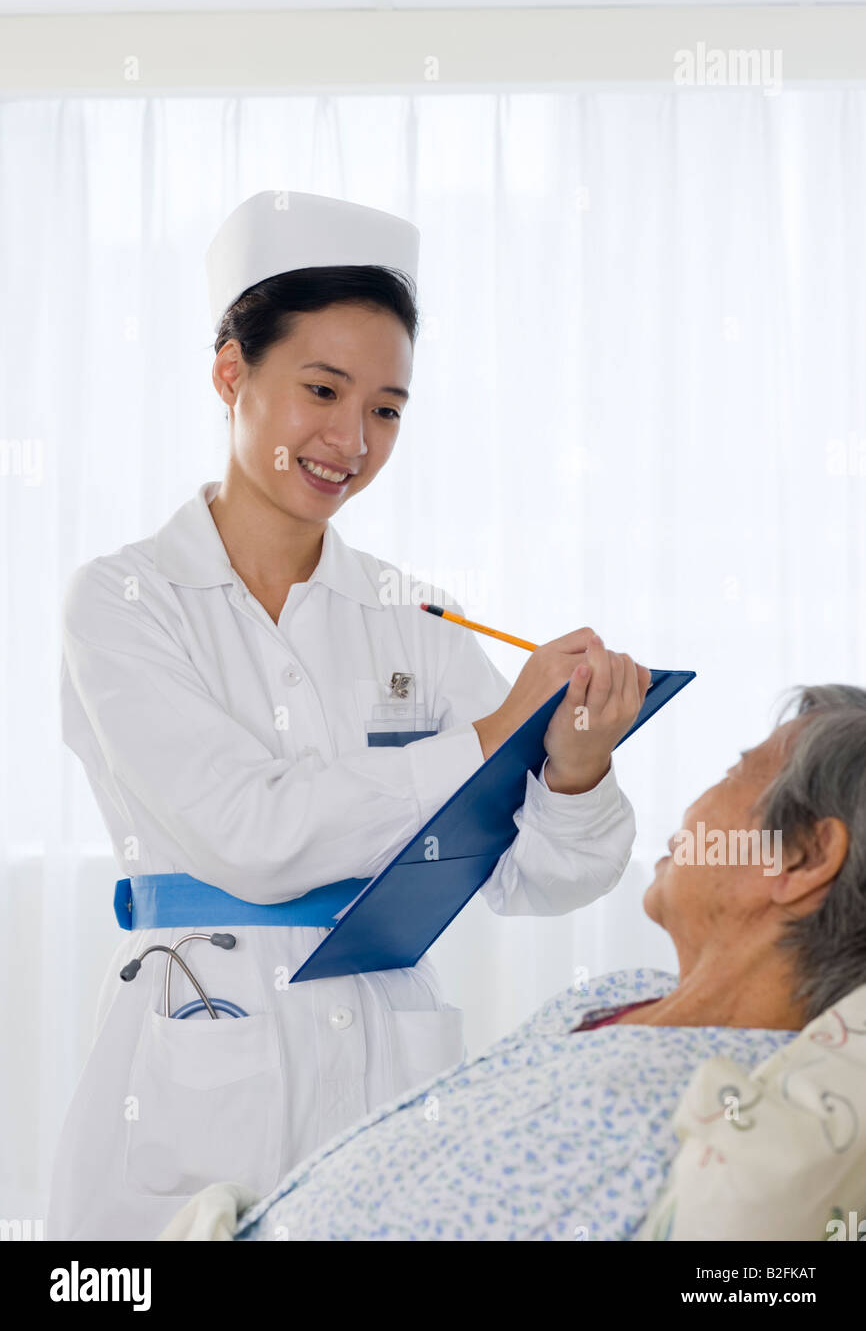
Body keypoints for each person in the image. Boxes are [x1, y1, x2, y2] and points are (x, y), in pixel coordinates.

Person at [47, 189, 650, 1241]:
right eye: (320, 390)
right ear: (231, 373)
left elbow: (535, 877)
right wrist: (483, 736)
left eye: (385, 409)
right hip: (190, 1058)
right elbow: (251, 832)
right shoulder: (121, 601)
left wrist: (569, 769)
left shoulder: (412, 615)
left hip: (383, 1071)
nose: (350, 439)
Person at [224, 684, 866, 1243]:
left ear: (803, 858)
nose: (698, 801)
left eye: (735, 773)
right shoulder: (621, 996)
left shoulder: (682, 1117)